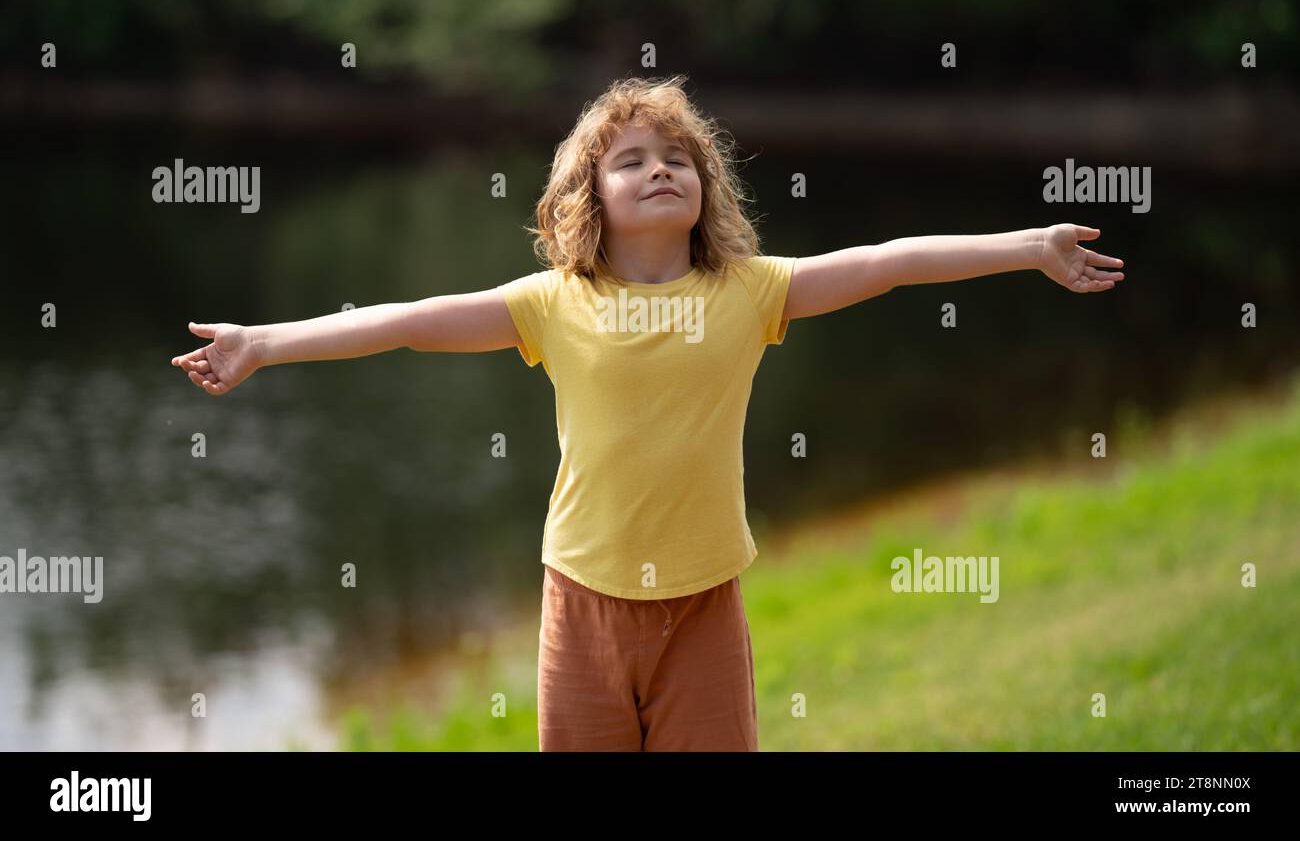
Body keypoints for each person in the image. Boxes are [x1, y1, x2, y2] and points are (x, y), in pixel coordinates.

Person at [170, 74, 1125, 751]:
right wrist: (266, 341)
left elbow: (893, 258)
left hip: (706, 606)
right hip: (581, 604)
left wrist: (1028, 244)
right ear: (591, 198)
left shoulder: (753, 291)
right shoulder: (553, 302)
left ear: (706, 185)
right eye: (630, 161)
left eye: (678, 156)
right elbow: (403, 323)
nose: (659, 168)